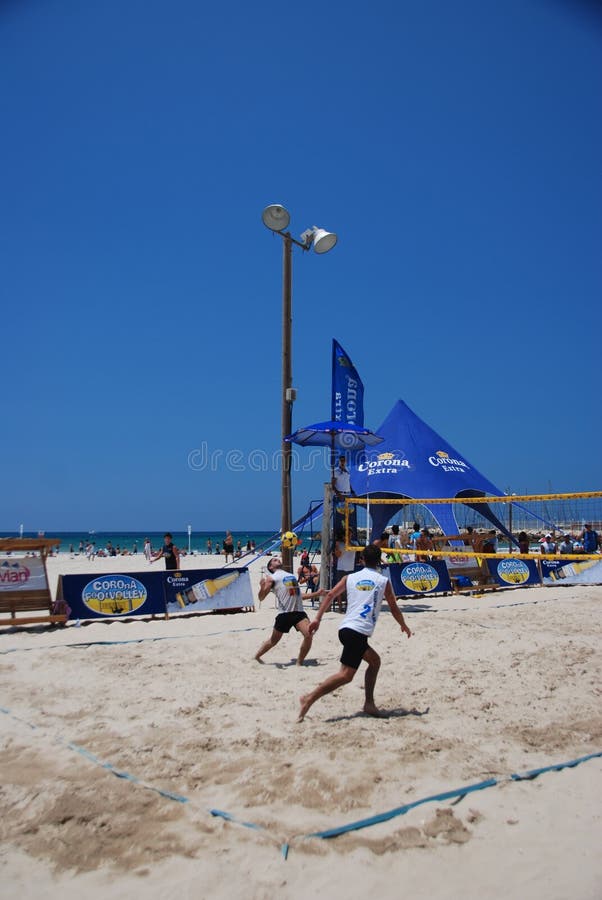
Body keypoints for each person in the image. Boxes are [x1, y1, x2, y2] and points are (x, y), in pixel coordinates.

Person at [298, 544, 412, 721]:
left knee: (374, 661)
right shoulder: (383, 581)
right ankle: (308, 698)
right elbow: (393, 607)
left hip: (346, 629)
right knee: (346, 675)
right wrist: (403, 625)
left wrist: (317, 619)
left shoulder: (349, 578)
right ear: (379, 561)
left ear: (362, 560)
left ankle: (369, 703)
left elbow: (329, 596)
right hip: (357, 632)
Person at [254, 557, 325, 666]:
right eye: (274, 560)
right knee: (273, 641)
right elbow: (261, 598)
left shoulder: (290, 576)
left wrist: (317, 594)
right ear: (270, 567)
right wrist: (262, 587)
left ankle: (299, 663)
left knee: (309, 634)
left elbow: (298, 595)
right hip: (284, 614)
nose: (277, 559)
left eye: (277, 559)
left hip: (299, 613)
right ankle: (257, 656)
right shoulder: (271, 578)